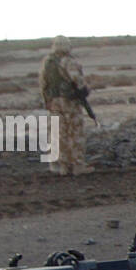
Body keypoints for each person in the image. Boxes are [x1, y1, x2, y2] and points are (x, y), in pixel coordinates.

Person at [39, 35, 94, 175]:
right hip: (69, 103)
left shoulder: (47, 62)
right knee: (75, 133)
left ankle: (63, 166)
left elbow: (43, 84)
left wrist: (48, 101)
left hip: (54, 102)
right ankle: (77, 165)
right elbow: (78, 81)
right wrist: (85, 91)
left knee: (59, 134)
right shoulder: (68, 62)